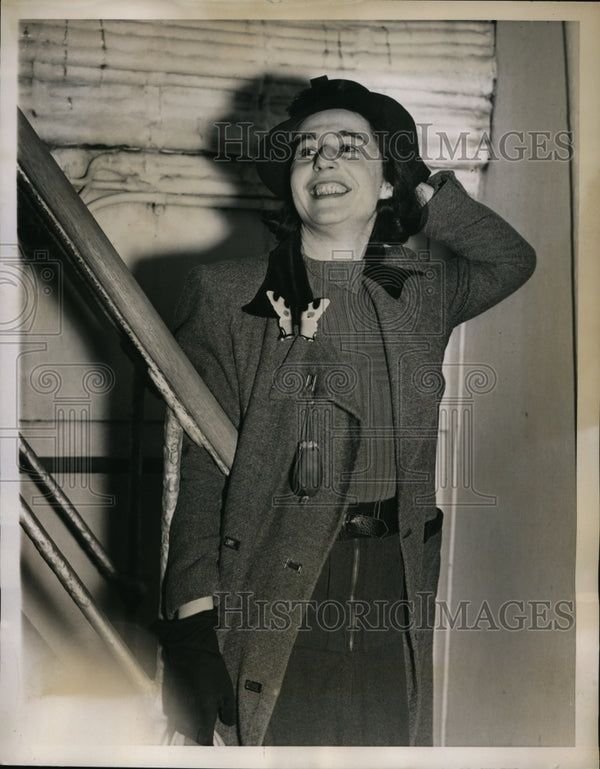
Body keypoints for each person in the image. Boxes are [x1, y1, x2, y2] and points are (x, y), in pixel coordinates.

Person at [155, 75, 536, 747]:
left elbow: (511, 259)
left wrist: (423, 187)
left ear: (388, 182)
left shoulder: (417, 291)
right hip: (280, 576)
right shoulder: (227, 294)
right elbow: (201, 468)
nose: (323, 159)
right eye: (307, 150)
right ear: (291, 182)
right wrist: (193, 616)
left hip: (396, 578)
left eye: (349, 147)